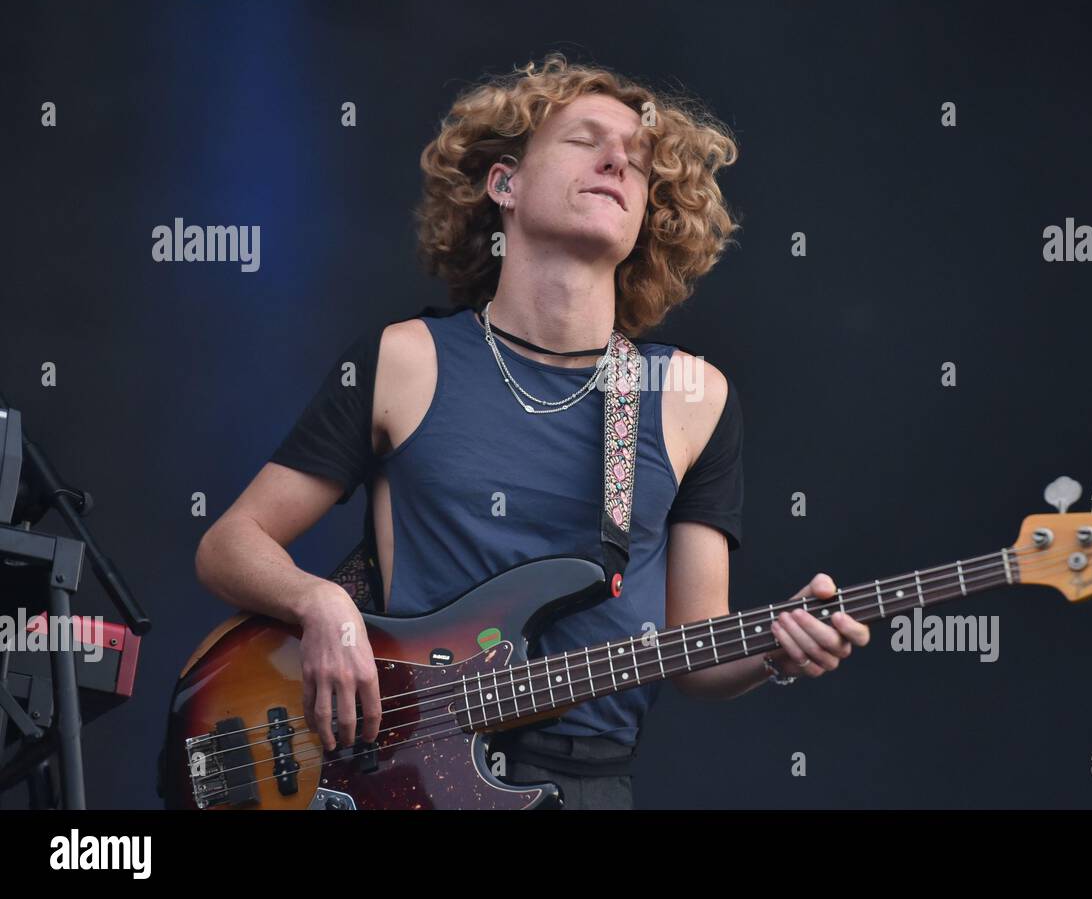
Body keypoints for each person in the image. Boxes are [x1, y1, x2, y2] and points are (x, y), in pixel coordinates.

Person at [194, 54, 871, 809]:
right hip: (392, 773)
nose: (619, 158)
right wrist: (322, 605)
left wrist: (776, 651)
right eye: (586, 140)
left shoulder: (692, 394)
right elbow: (229, 544)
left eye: (639, 163)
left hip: (585, 784)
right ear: (505, 184)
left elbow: (695, 653)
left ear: (647, 213)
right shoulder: (404, 361)